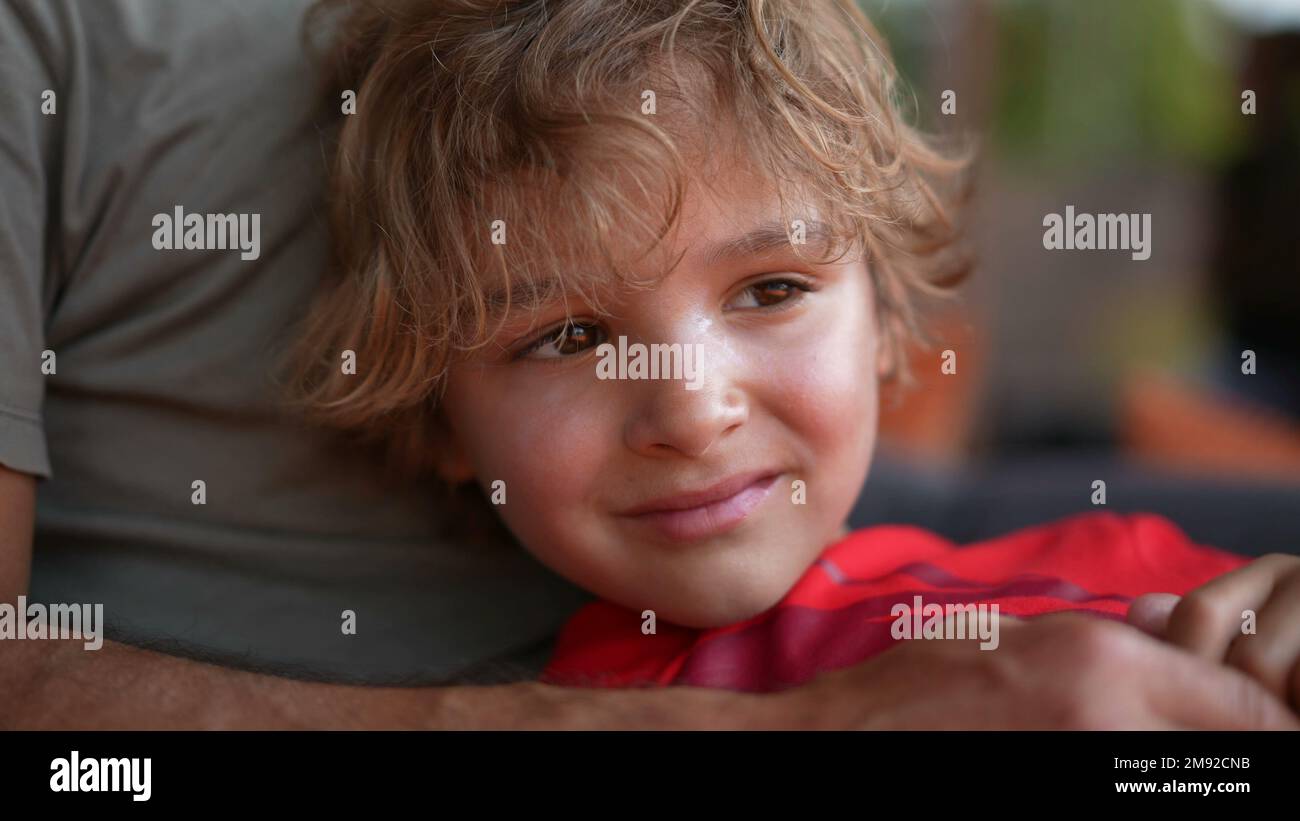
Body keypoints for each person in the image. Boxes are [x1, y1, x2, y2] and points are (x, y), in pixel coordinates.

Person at [0, 0, 1293, 730]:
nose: (690, 406)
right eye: (566, 335)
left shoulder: (1128, 568)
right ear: (440, 424)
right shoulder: (608, 691)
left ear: (890, 314)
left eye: (773, 289)